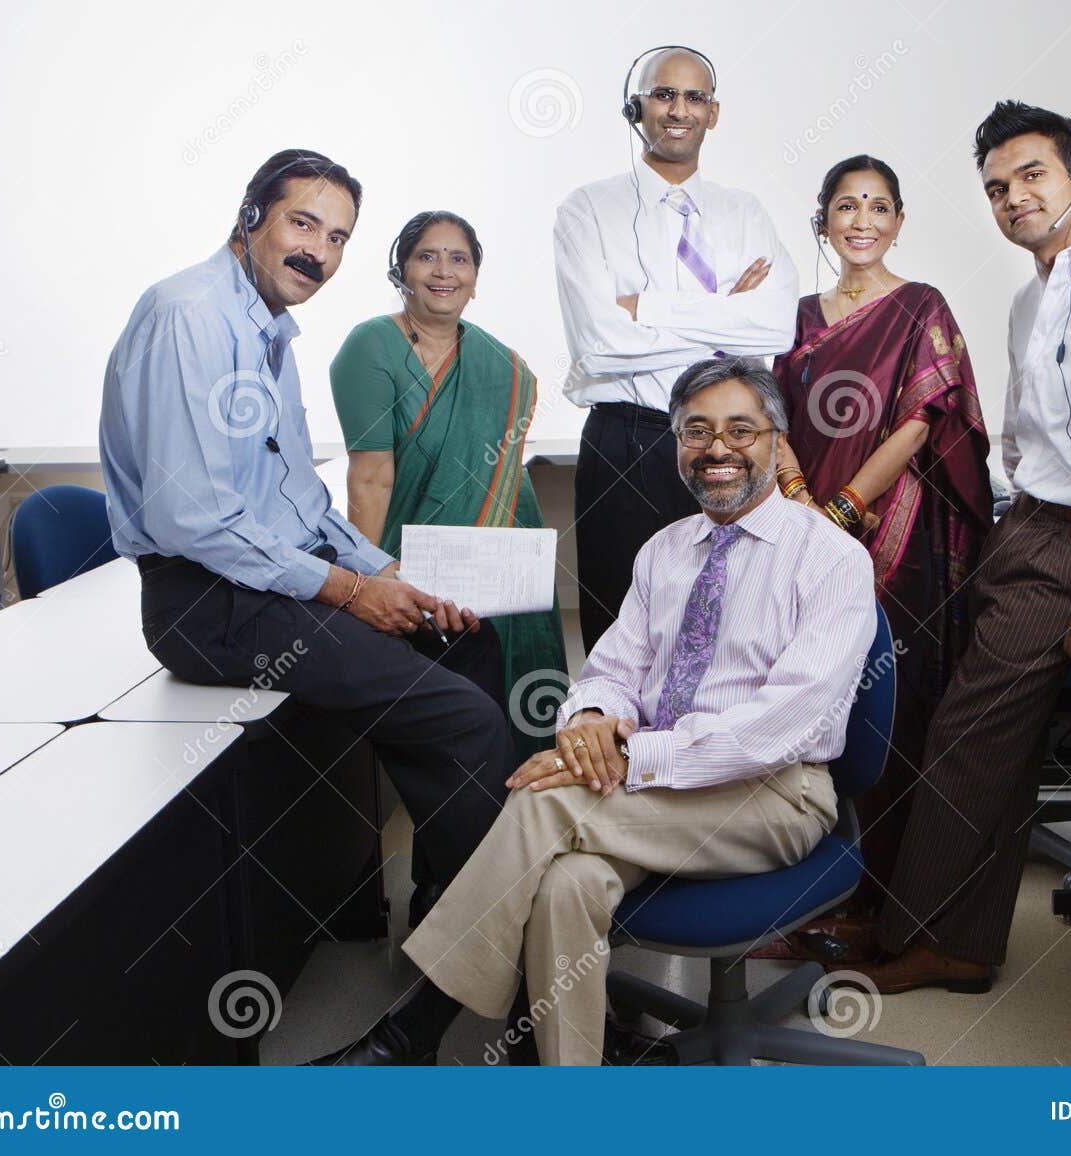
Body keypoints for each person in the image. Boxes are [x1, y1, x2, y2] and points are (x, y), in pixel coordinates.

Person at [314, 357, 876, 1066]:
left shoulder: (831, 558)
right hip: (654, 789)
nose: (718, 449)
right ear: (677, 444)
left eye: (741, 430)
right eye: (696, 431)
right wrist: (587, 724)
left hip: (772, 794)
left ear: (778, 442)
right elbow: (611, 671)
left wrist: (629, 756)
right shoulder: (664, 551)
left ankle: (409, 1036)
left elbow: (779, 727)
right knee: (565, 885)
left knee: (543, 802)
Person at [98, 150, 514, 929]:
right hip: (207, 603)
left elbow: (301, 502)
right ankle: (475, 948)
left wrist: (385, 570)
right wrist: (352, 592)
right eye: (303, 224)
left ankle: (443, 905)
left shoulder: (267, 332)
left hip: (269, 580)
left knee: (469, 643)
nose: (317, 252)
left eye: (337, 238)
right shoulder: (190, 316)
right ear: (251, 215)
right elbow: (193, 520)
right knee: (466, 719)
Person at [861, 102, 1071, 994]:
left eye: (1032, 175)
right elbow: (1028, 428)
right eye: (996, 188)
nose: (1013, 197)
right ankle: (959, 940)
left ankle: (925, 940)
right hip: (1030, 524)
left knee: (968, 739)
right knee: (989, 740)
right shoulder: (1035, 295)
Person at [769, 156, 993, 944]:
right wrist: (802, 502)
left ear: (898, 221)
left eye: (878, 206)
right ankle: (799, 890)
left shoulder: (921, 306)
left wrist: (845, 508)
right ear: (823, 218)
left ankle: (882, 897)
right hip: (797, 532)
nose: (861, 220)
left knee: (886, 704)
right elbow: (770, 416)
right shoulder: (793, 314)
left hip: (894, 538)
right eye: (846, 205)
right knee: (801, 698)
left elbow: (922, 422)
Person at [555, 45, 798, 651]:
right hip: (628, 440)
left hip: (729, 443)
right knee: (622, 632)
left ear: (713, 113)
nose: (678, 110)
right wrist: (726, 317)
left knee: (731, 632)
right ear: (635, 107)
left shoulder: (745, 212)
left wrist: (647, 307)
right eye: (663, 94)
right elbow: (599, 343)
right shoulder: (587, 209)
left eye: (694, 97)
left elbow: (776, 328)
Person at [329, 210, 568, 760]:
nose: (444, 271)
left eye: (459, 259)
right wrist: (368, 580)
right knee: (446, 728)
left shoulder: (502, 365)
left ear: (475, 279)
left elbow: (502, 472)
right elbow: (370, 477)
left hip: (502, 555)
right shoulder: (371, 346)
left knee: (508, 695)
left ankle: (523, 806)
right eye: (427, 257)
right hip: (410, 562)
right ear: (401, 272)